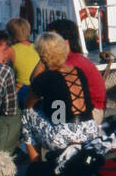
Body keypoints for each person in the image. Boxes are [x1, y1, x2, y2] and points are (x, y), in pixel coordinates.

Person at [22, 31, 102, 159]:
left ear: (42, 55)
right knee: (56, 111)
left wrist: (42, 62)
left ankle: (36, 166)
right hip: (90, 130)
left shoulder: (45, 77)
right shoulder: (79, 71)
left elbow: (28, 103)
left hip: (63, 135)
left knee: (26, 115)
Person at [47, 18, 108, 124]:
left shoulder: (71, 64)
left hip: (92, 113)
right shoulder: (74, 59)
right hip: (93, 109)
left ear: (64, 42)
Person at [7, 16, 40, 107]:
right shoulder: (38, 47)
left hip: (21, 90)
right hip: (38, 90)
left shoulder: (10, 50)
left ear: (10, 35)